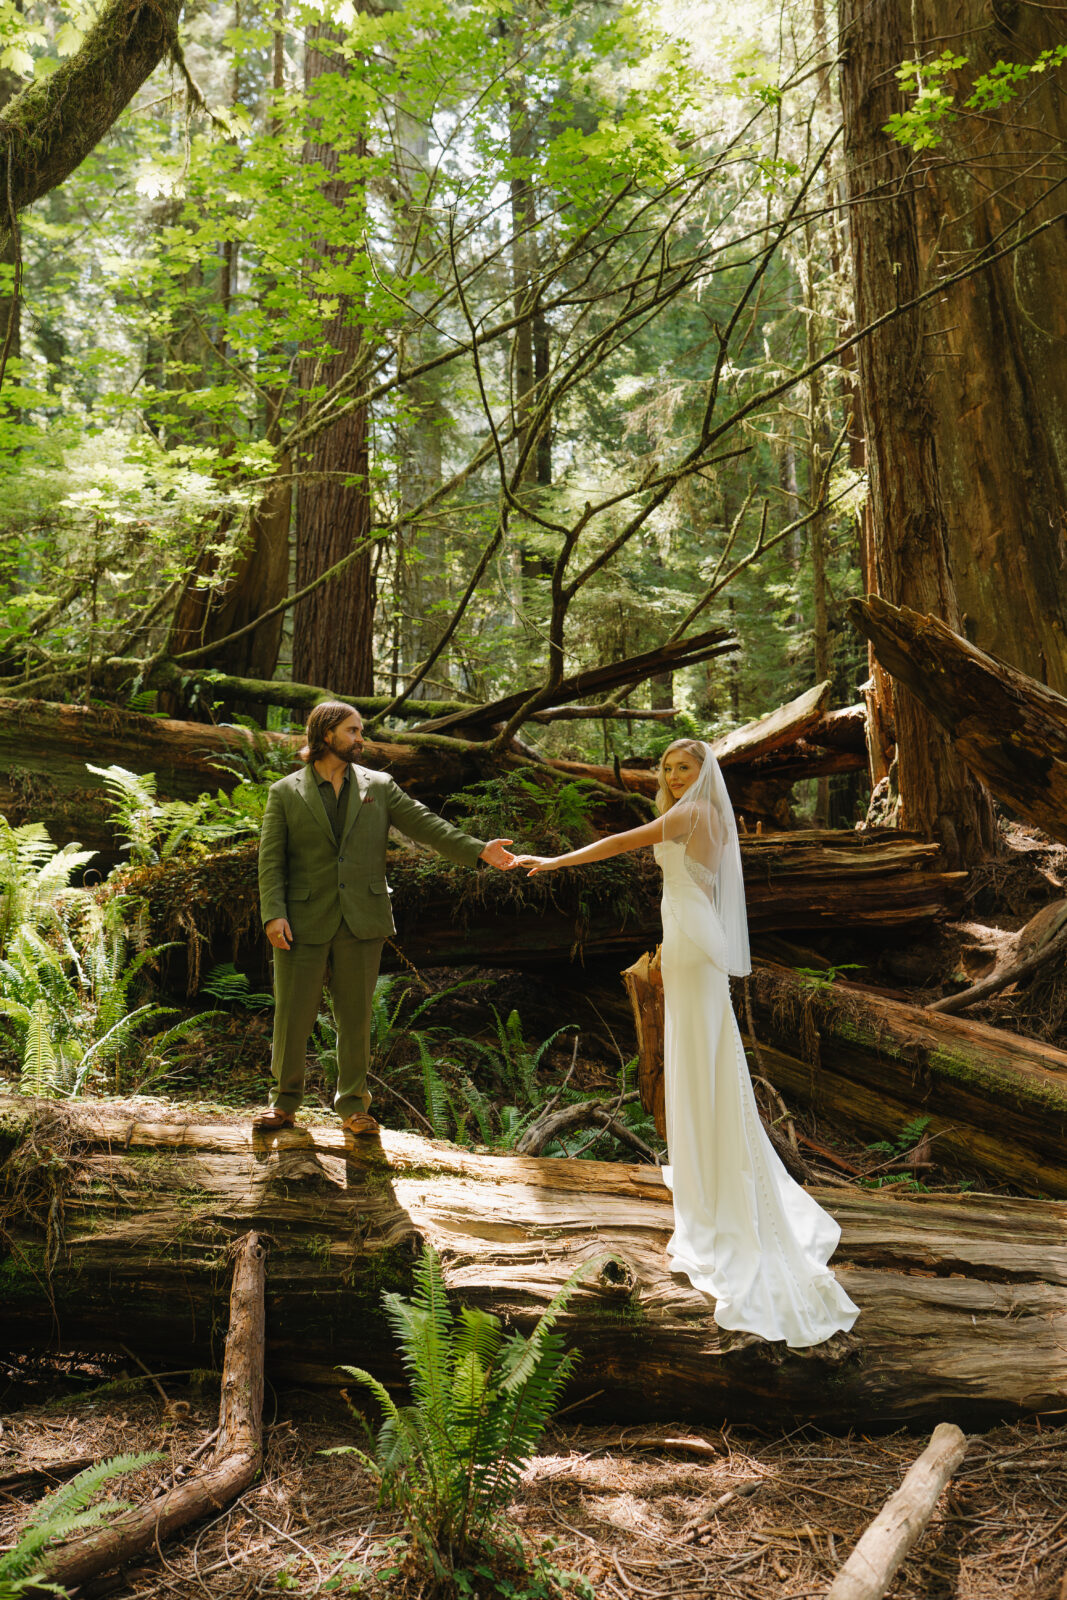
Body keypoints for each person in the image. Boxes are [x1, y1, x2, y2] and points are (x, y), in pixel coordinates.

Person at [517, 738, 858, 1348]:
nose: (674, 777)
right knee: (703, 1057)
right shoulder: (713, 817)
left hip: (693, 948)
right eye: (668, 770)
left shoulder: (693, 814)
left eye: (684, 768)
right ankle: (708, 1167)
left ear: (705, 773)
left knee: (701, 1058)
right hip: (687, 941)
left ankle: (715, 1180)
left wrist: (554, 860)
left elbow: (623, 843)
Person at [255, 701, 517, 1136]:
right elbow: (271, 861)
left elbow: (426, 824)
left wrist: (477, 849)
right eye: (353, 731)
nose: (362, 739)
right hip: (301, 918)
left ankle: (354, 1105)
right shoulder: (285, 792)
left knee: (356, 1016)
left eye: (361, 731)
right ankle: (283, 1102)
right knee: (293, 1015)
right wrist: (273, 914)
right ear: (325, 735)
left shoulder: (379, 785)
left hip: (364, 916)